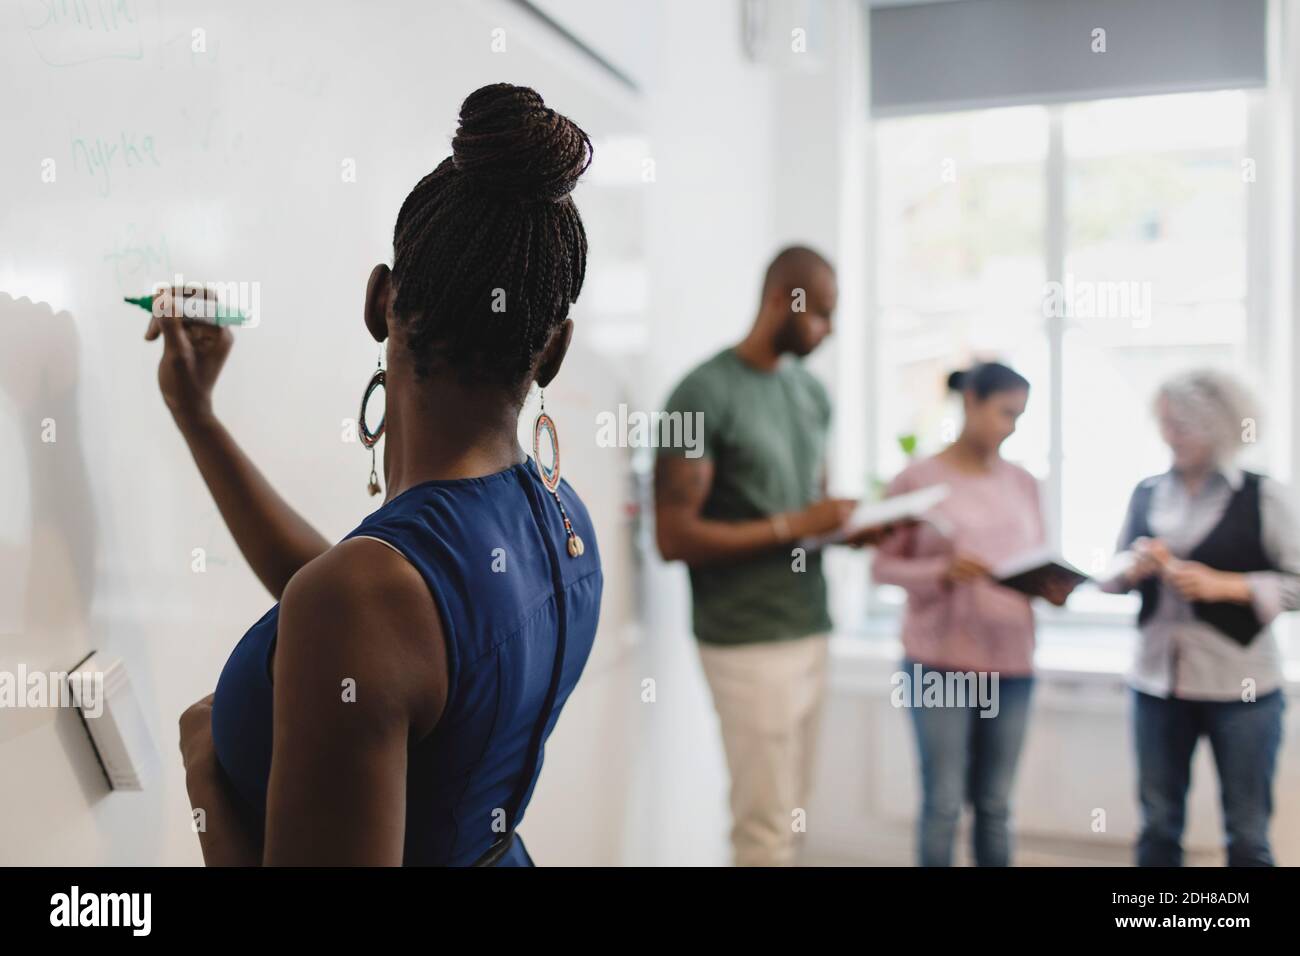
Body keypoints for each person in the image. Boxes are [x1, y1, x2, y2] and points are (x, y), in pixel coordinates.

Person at [164, 84, 603, 865]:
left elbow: (362, 615)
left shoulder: (370, 599)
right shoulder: (566, 527)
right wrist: (199, 419)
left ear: (380, 300)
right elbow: (357, 606)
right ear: (555, 349)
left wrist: (204, 778)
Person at [654, 246, 891, 867]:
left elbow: (808, 512)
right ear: (783, 299)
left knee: (793, 815)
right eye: (822, 313)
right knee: (762, 828)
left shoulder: (811, 394)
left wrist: (851, 530)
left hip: (809, 625)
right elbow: (673, 537)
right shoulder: (700, 393)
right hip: (744, 638)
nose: (829, 329)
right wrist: (796, 524)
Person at [872, 362, 1077, 867]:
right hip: (939, 663)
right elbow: (881, 567)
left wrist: (1050, 588)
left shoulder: (1025, 482)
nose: (1010, 426)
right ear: (970, 403)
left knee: (995, 805)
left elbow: (1033, 556)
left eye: (1020, 416)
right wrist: (941, 571)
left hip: (1011, 664)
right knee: (942, 803)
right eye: (1005, 412)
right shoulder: (916, 480)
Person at [1099, 369, 1297, 866]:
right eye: (1164, 423)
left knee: (1247, 831)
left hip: (1242, 688)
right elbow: (1111, 573)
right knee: (1158, 825)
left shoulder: (1264, 495)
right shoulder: (1147, 491)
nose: (1170, 435)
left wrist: (1226, 585)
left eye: (1182, 425)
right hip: (1156, 682)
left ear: (1220, 426)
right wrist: (1133, 567)